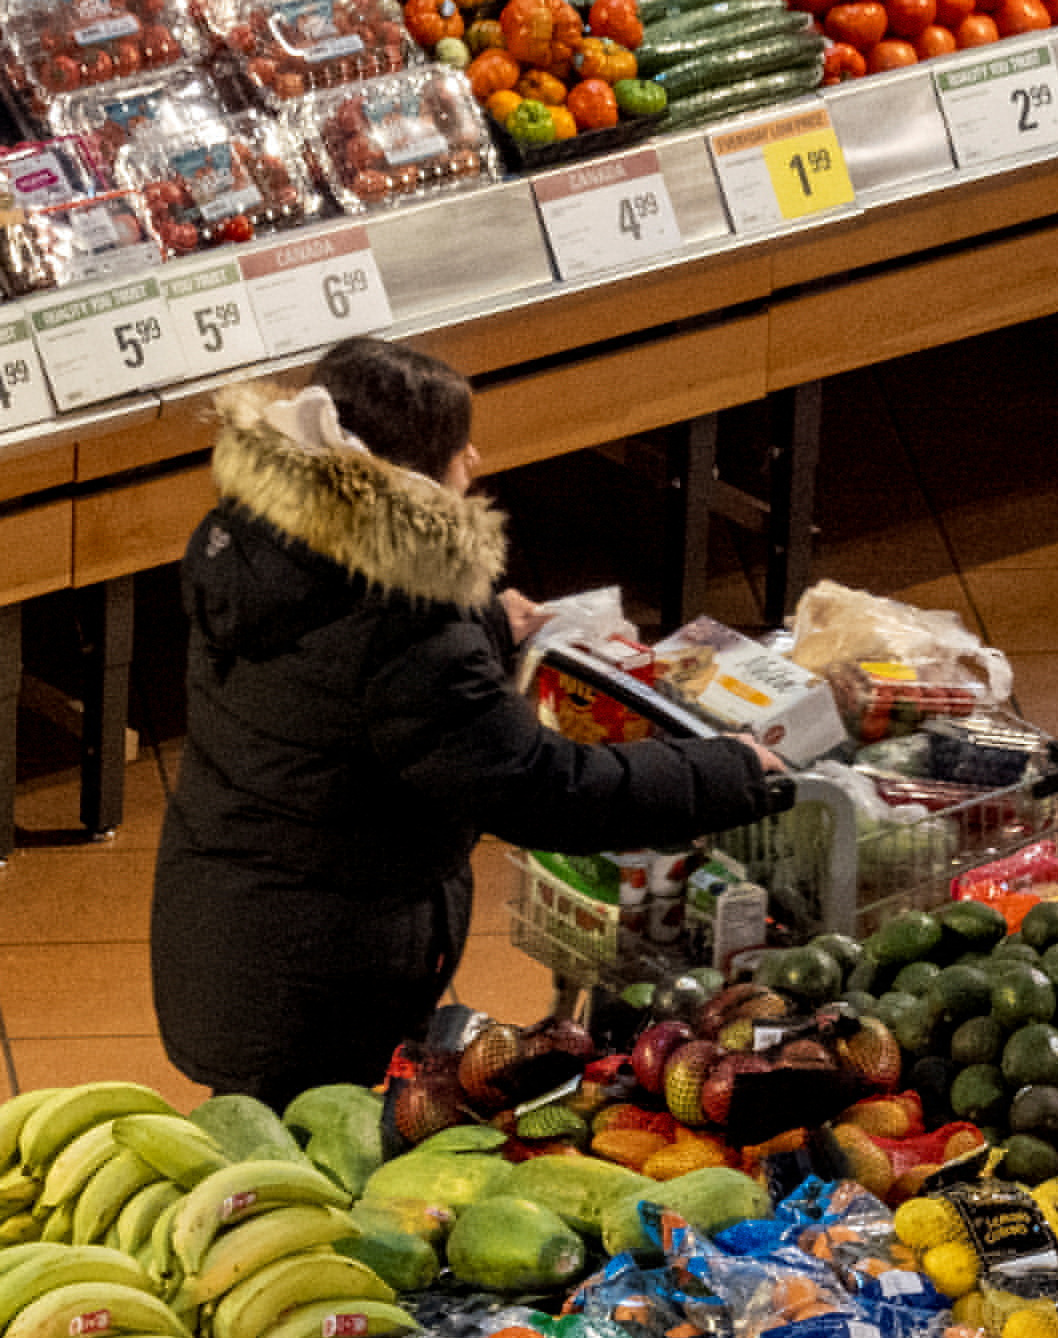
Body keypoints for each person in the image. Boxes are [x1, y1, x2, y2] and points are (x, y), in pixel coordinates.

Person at [152, 340, 789, 1104]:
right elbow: (539, 786)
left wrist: (481, 621)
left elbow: (346, 678)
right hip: (317, 984)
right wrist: (723, 771)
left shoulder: (267, 542)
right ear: (410, 472)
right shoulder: (406, 620)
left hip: (236, 934)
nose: (476, 461)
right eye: (458, 449)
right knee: (315, 1168)